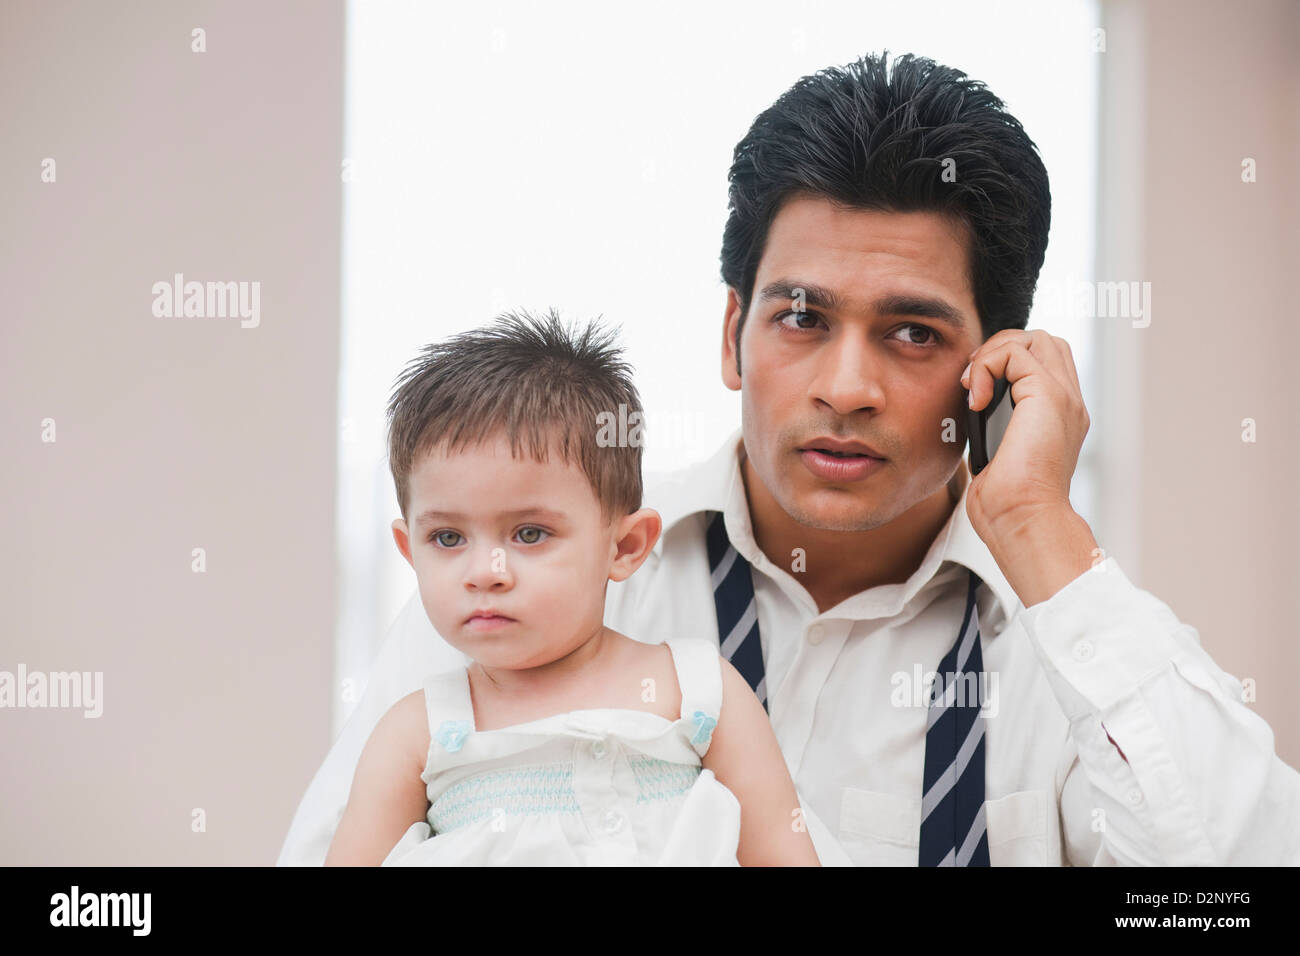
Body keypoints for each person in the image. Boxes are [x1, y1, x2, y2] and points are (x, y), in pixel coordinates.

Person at [282, 51, 1300, 866]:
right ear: (731, 334)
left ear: (991, 367)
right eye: (801, 316)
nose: (846, 385)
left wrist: (1042, 533)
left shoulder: (1068, 642)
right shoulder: (521, 578)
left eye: (911, 332)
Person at [324, 313, 821, 866]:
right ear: (409, 550)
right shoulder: (420, 734)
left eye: (530, 534)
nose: (486, 570)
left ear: (625, 546)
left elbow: (785, 853)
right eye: (446, 537)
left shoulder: (697, 693)